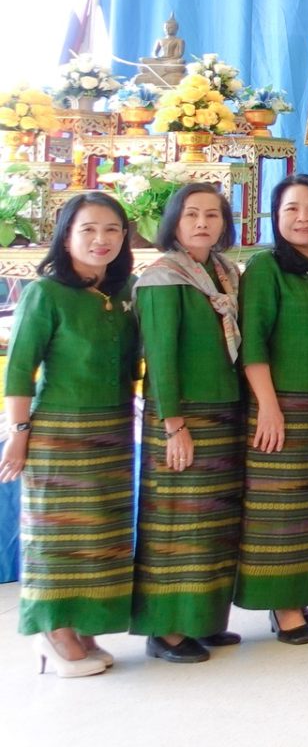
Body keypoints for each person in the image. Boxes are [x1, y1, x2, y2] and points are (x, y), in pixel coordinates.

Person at [2, 194, 139, 677]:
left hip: (114, 431)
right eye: (88, 230)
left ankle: (83, 626)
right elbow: (19, 369)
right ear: (66, 235)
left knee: (100, 533)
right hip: (59, 432)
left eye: (112, 230)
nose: (101, 240)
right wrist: (18, 432)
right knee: (57, 534)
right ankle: (52, 631)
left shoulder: (124, 292)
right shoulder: (45, 293)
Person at [233, 176, 308, 646]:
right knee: (281, 509)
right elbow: (253, 344)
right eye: (290, 209)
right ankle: (282, 607)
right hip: (282, 407)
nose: (303, 217)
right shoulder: (265, 268)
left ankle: (301, 596)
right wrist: (267, 407)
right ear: (276, 217)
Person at [131, 183, 245, 662]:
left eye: (213, 215)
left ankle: (203, 620)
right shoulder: (163, 277)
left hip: (226, 413)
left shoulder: (224, 272)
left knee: (214, 523)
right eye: (192, 214)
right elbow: (159, 356)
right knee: (177, 525)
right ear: (174, 221)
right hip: (183, 418)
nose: (203, 223)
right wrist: (173, 424)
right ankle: (168, 630)